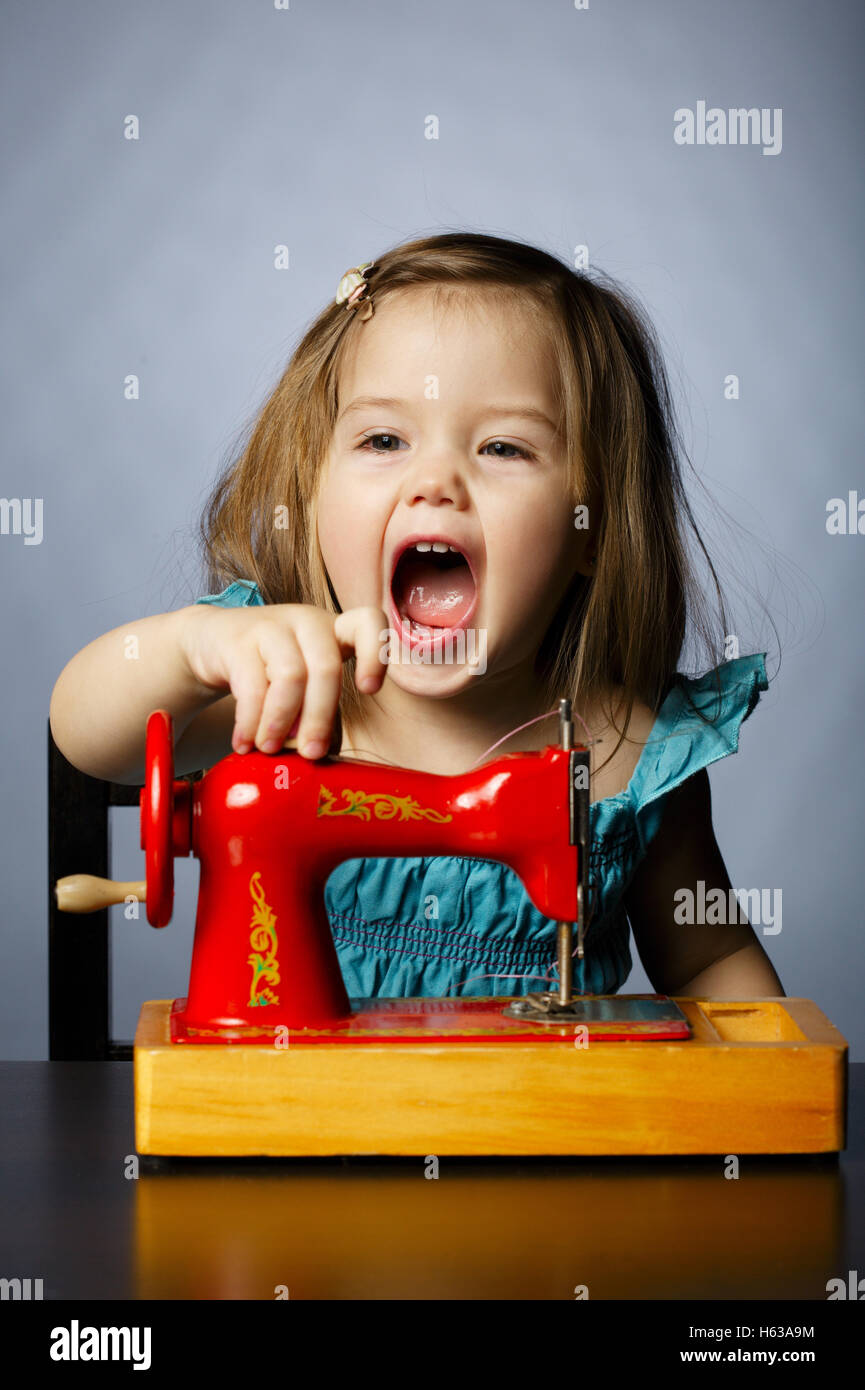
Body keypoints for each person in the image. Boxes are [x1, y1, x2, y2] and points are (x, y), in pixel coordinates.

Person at [49, 232, 784, 1001]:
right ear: (310, 496)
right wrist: (194, 647)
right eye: (384, 439)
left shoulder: (633, 755)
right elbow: (87, 735)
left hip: (542, 1121)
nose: (434, 481)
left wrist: (777, 1091)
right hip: (308, 1118)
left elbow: (707, 961)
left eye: (502, 448)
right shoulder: (277, 688)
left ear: (590, 527)